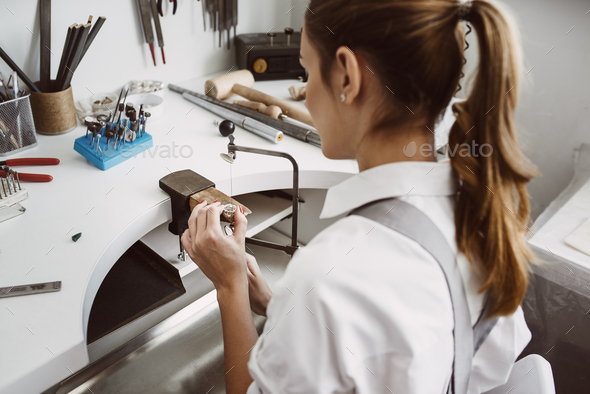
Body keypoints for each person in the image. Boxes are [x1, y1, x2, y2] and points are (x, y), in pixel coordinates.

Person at [180, 0, 540, 392]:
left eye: (308, 70)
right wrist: (281, 309)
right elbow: (480, 367)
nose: (307, 92)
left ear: (348, 77)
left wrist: (230, 286)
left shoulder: (330, 275)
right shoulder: (482, 207)